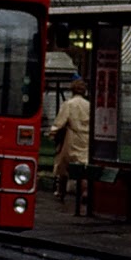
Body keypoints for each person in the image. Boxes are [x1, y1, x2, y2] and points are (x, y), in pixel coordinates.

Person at [51, 77, 92, 212]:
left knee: (63, 166)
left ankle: (60, 192)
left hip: (72, 137)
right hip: (86, 139)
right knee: (83, 166)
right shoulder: (89, 105)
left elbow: (60, 122)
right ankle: (85, 192)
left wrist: (53, 133)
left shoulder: (68, 104)